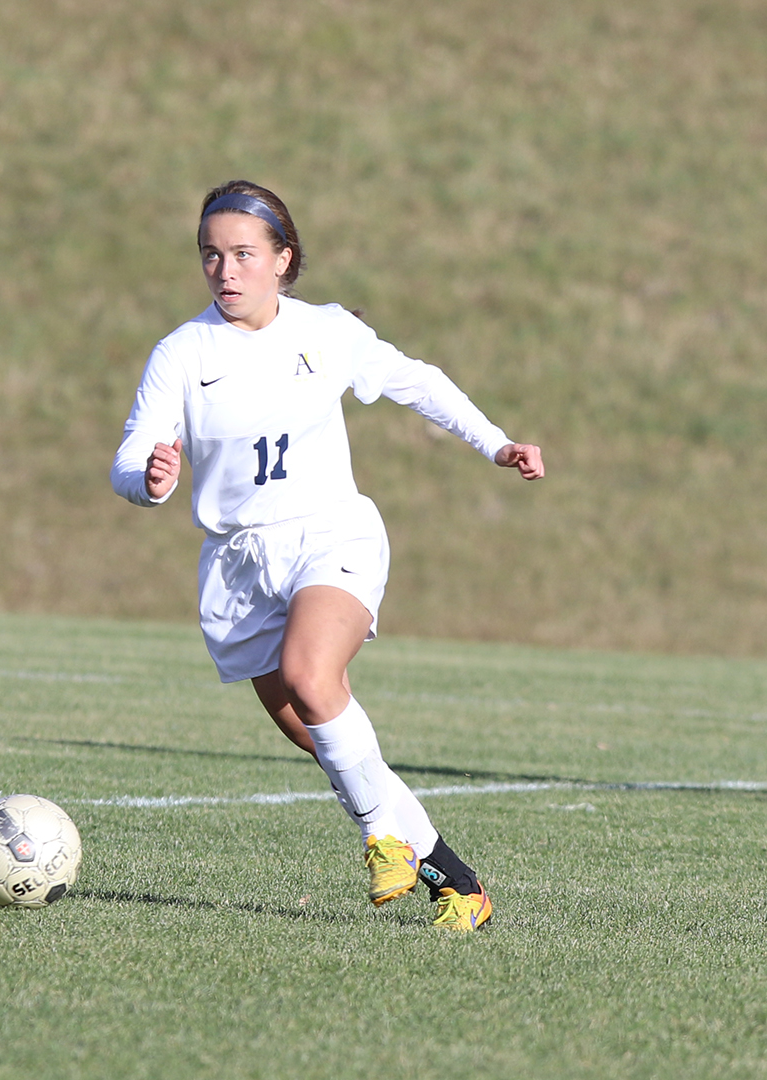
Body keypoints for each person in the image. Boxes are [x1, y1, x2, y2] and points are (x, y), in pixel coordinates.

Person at [111, 181, 545, 931]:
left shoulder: (328, 332)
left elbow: (420, 383)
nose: (226, 270)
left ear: (283, 259)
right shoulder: (181, 353)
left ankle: (382, 837)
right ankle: (458, 884)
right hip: (238, 568)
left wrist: (496, 442)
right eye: (211, 255)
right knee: (330, 744)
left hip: (328, 534)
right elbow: (129, 452)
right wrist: (148, 480)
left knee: (316, 678)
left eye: (244, 253)